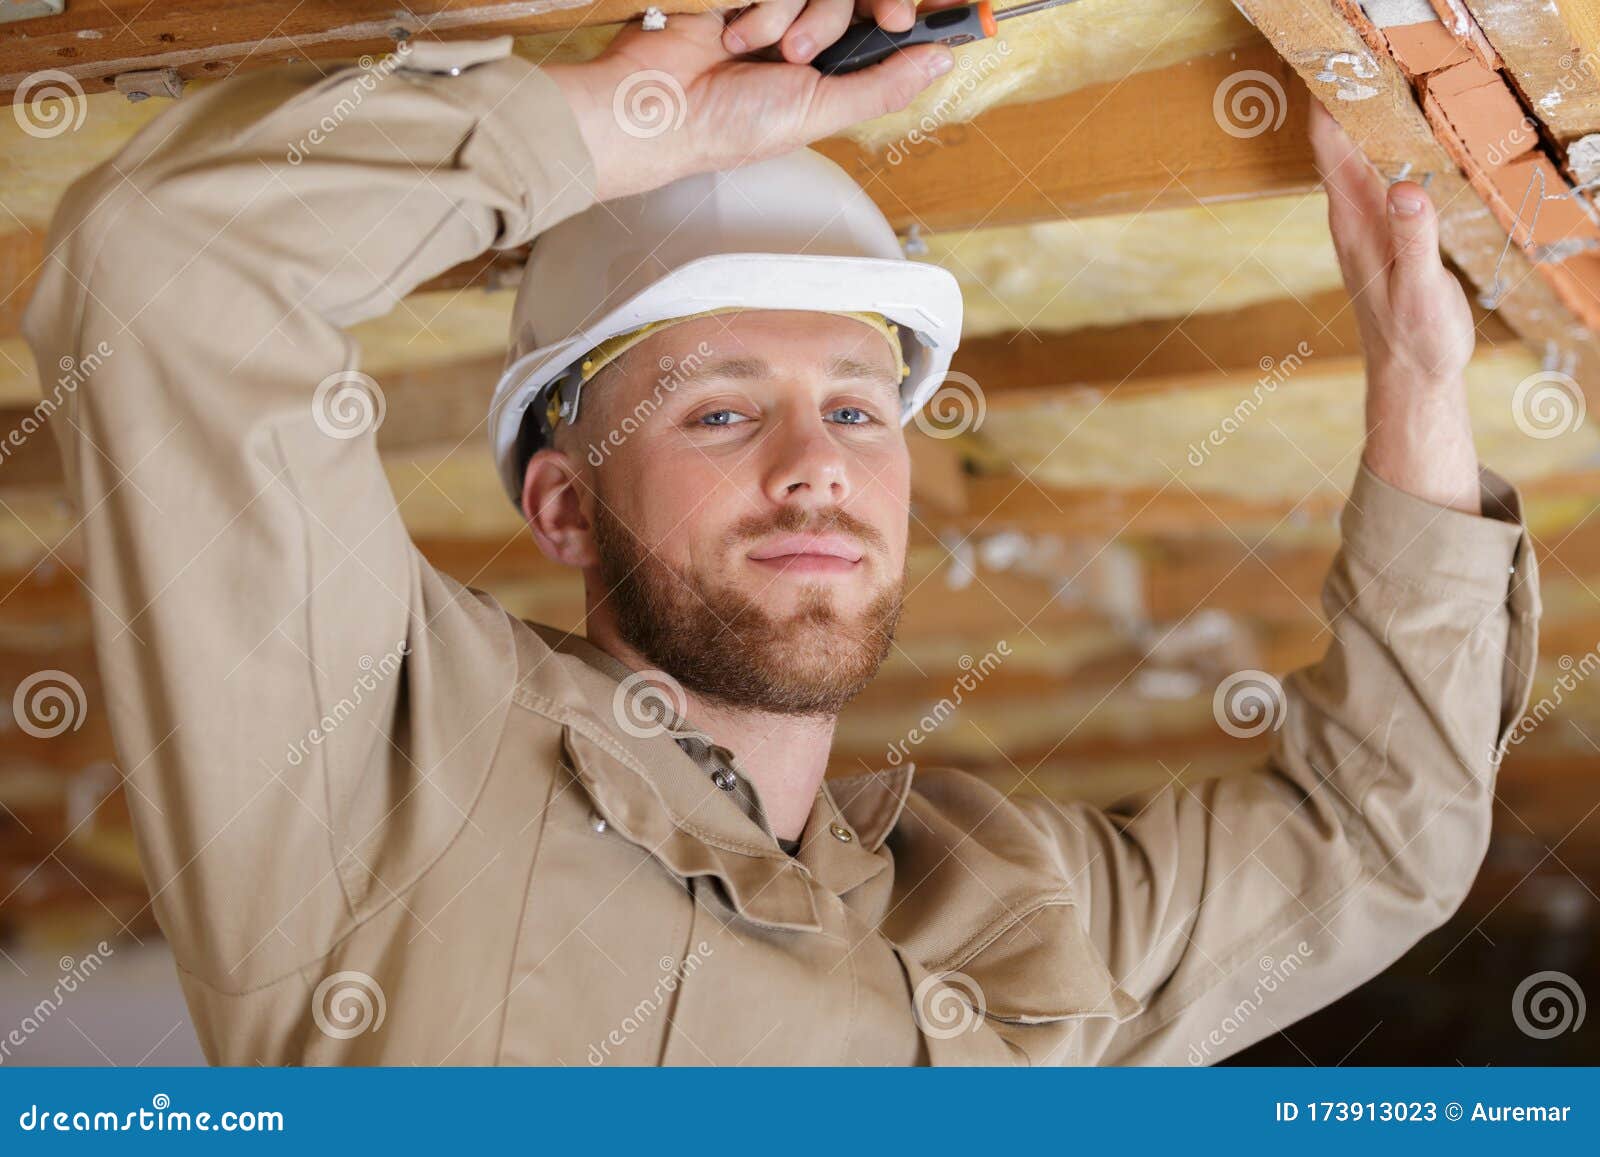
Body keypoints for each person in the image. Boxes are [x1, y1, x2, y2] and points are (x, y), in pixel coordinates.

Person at [22, 4, 1538, 1065]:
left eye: (863, 411)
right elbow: (168, 278)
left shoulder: (1009, 911)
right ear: (562, 499)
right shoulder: (398, 782)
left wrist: (1415, 387)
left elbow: (1379, 846)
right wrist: (637, 120)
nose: (819, 467)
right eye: (723, 413)